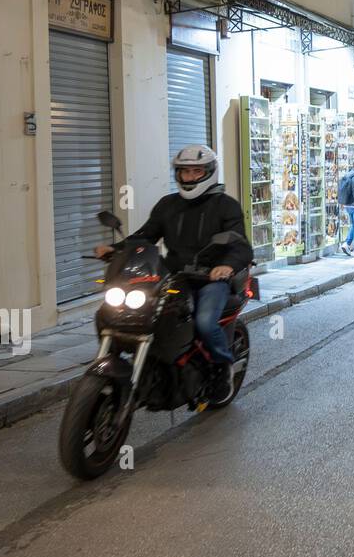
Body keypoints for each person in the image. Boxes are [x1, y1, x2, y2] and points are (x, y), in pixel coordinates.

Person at [95, 145, 253, 403]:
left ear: (209, 172)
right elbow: (145, 236)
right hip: (173, 278)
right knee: (117, 313)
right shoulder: (167, 205)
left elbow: (241, 247)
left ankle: (223, 366)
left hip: (210, 280)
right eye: (184, 172)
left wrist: (226, 266)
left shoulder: (226, 206)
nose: (189, 177)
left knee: (203, 322)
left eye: (196, 171)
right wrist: (114, 249)